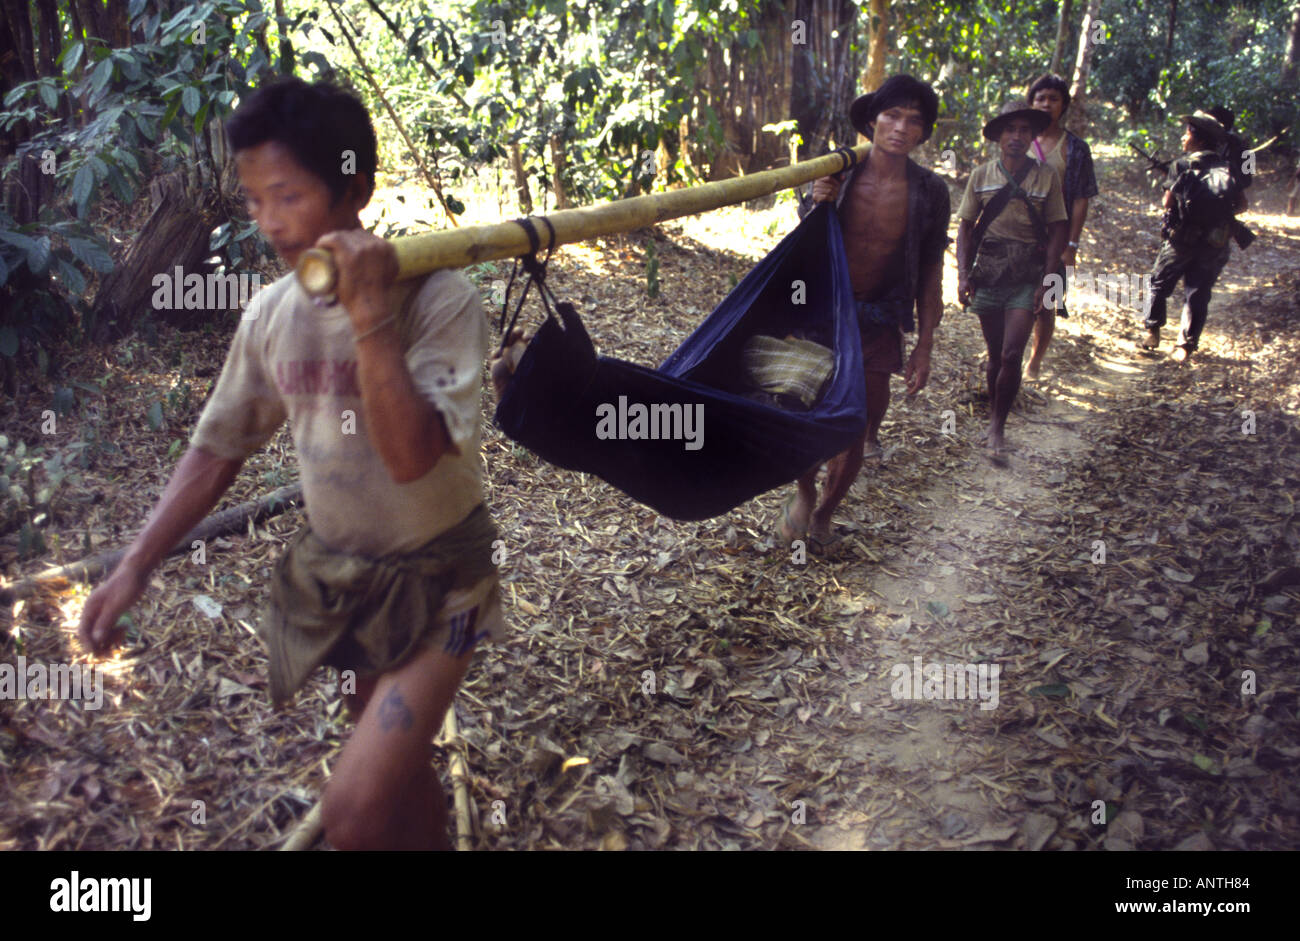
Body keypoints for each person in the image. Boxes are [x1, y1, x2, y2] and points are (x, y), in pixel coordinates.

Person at [77, 78, 503, 850]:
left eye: (289, 196)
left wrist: (369, 316)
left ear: (356, 188)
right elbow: (216, 447)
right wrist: (136, 564)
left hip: (447, 584)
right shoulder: (274, 314)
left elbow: (410, 459)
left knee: (351, 812)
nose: (269, 223)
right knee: (396, 788)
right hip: (346, 579)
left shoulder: (439, 301)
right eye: (253, 200)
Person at [778, 74, 950, 548]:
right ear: (873, 119)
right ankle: (806, 491)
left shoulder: (931, 192)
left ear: (922, 133)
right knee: (806, 415)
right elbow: (803, 244)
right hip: (823, 314)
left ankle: (826, 515)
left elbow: (932, 269)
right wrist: (817, 203)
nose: (900, 127)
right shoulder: (836, 171)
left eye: (913, 121)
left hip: (880, 319)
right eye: (892, 115)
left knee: (857, 426)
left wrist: (925, 346)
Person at [955, 101, 1068, 461]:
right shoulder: (981, 175)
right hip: (989, 271)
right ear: (998, 136)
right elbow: (964, 229)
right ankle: (992, 417)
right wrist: (962, 274)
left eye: (1024, 130)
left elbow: (1057, 230)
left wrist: (1048, 279)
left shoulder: (1046, 176)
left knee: (1011, 353)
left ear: (1032, 136)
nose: (1016, 137)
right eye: (1009, 130)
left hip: (1027, 273)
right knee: (994, 355)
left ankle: (998, 428)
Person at [1140, 111, 1245, 363]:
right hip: (1214, 242)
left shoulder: (1181, 165)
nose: (1183, 137)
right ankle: (1185, 346)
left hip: (1181, 240)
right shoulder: (1227, 167)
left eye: (1186, 132)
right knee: (1198, 292)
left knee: (1157, 283)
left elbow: (1168, 202)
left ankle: (1152, 332)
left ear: (1197, 138)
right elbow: (1242, 205)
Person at [1023, 73, 1098, 379]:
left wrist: (1072, 245)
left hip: (1055, 237)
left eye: (1053, 99)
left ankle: (1035, 360)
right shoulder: (1018, 140)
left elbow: (1081, 198)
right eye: (1040, 98)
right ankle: (1008, 350)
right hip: (1017, 236)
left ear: (1064, 105)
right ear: (1031, 102)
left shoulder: (1075, 148)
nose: (1046, 104)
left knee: (1047, 301)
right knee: (1008, 296)